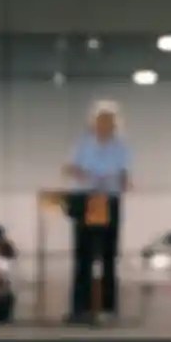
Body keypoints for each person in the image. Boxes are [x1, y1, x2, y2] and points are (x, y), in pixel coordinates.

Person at [64, 102, 131, 323]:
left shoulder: (120, 147)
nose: (104, 125)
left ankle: (108, 308)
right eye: (101, 120)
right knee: (83, 256)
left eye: (109, 121)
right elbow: (71, 168)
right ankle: (79, 309)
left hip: (108, 201)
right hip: (86, 200)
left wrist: (104, 177)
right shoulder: (82, 144)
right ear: (93, 123)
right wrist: (89, 175)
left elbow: (123, 175)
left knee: (109, 257)